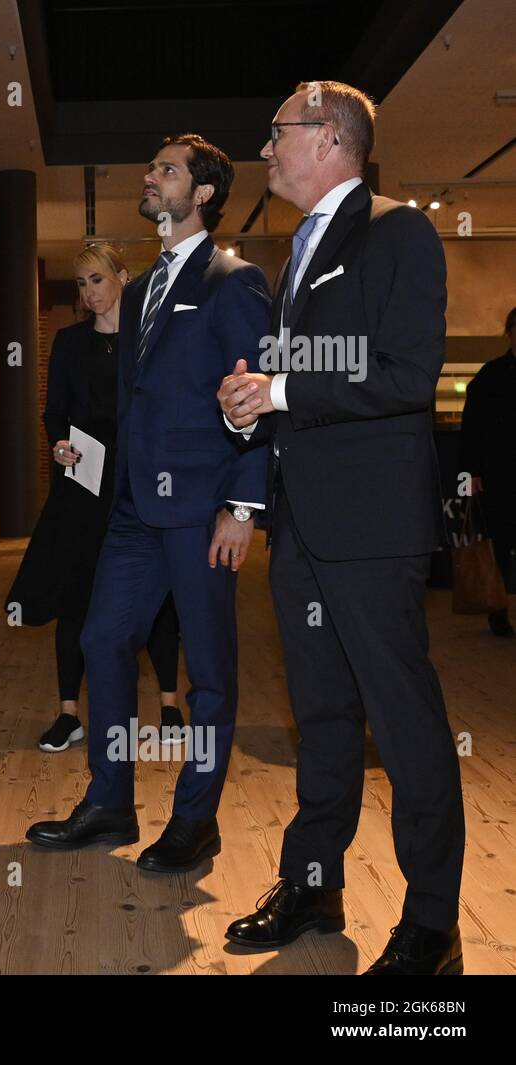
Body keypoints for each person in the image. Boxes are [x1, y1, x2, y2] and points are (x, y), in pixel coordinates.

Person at [218, 81, 464, 975]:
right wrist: (255, 408)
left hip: (371, 529)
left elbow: (406, 374)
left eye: (277, 131)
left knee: (404, 728)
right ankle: (314, 884)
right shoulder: (299, 251)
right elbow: (308, 392)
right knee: (323, 718)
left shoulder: (398, 231)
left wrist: (282, 391)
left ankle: (433, 923)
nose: (268, 147)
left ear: (328, 139)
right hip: (305, 528)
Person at [27, 134, 270, 871]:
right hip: (134, 508)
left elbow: (255, 396)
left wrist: (244, 504)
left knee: (210, 673)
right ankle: (109, 803)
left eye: (166, 169)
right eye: (152, 166)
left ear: (201, 193)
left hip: (202, 510)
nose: (150, 175)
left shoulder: (236, 281)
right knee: (103, 639)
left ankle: (196, 820)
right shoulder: (140, 293)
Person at [5, 245, 185, 754]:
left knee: (157, 595)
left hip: (142, 481)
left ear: (123, 278)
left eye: (96, 280)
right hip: (83, 483)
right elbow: (54, 411)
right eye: (80, 284)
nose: (88, 293)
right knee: (74, 595)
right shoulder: (67, 342)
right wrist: (58, 442)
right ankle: (69, 715)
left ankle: (170, 704)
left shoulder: (150, 340)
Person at [460, 306, 516, 638]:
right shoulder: (491, 375)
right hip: (500, 476)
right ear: (508, 333)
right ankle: (498, 610)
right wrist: (471, 472)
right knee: (499, 546)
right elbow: (472, 428)